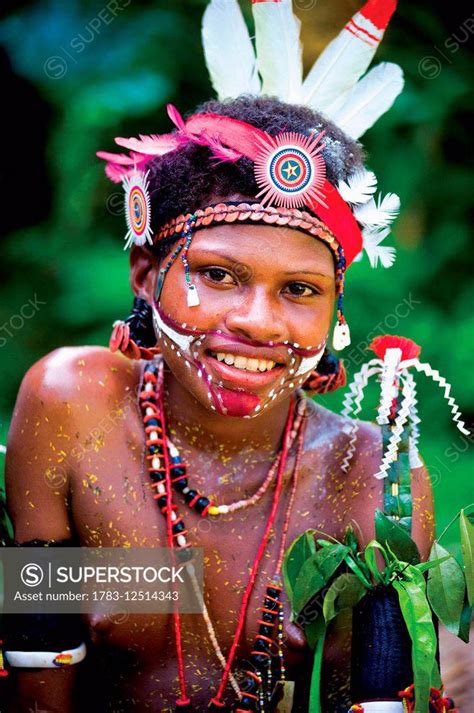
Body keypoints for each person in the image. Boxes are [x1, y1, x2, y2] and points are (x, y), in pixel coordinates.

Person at [2, 1, 461, 711]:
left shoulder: (370, 479)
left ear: (334, 311)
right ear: (146, 272)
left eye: (299, 289)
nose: (255, 321)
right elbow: (39, 657)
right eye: (216, 274)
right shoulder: (74, 405)